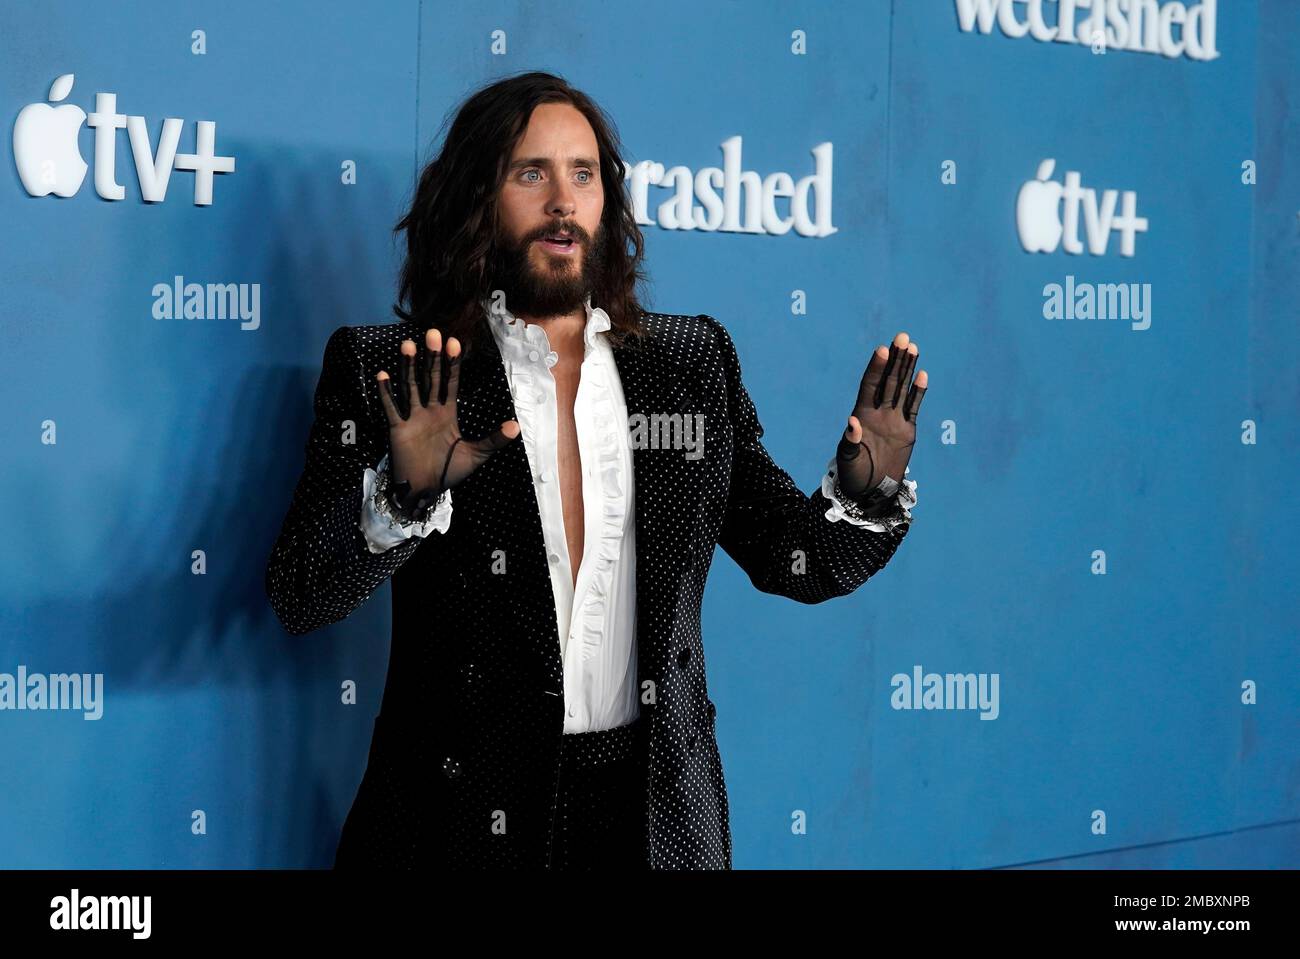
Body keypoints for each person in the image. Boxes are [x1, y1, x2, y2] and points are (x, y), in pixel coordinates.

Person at [264, 71, 927, 870]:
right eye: (530, 172)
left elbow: (794, 557)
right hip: (458, 818)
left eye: (583, 174)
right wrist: (404, 498)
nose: (562, 201)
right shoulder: (397, 373)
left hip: (653, 819)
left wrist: (861, 493)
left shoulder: (690, 362)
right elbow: (301, 592)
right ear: (477, 196)